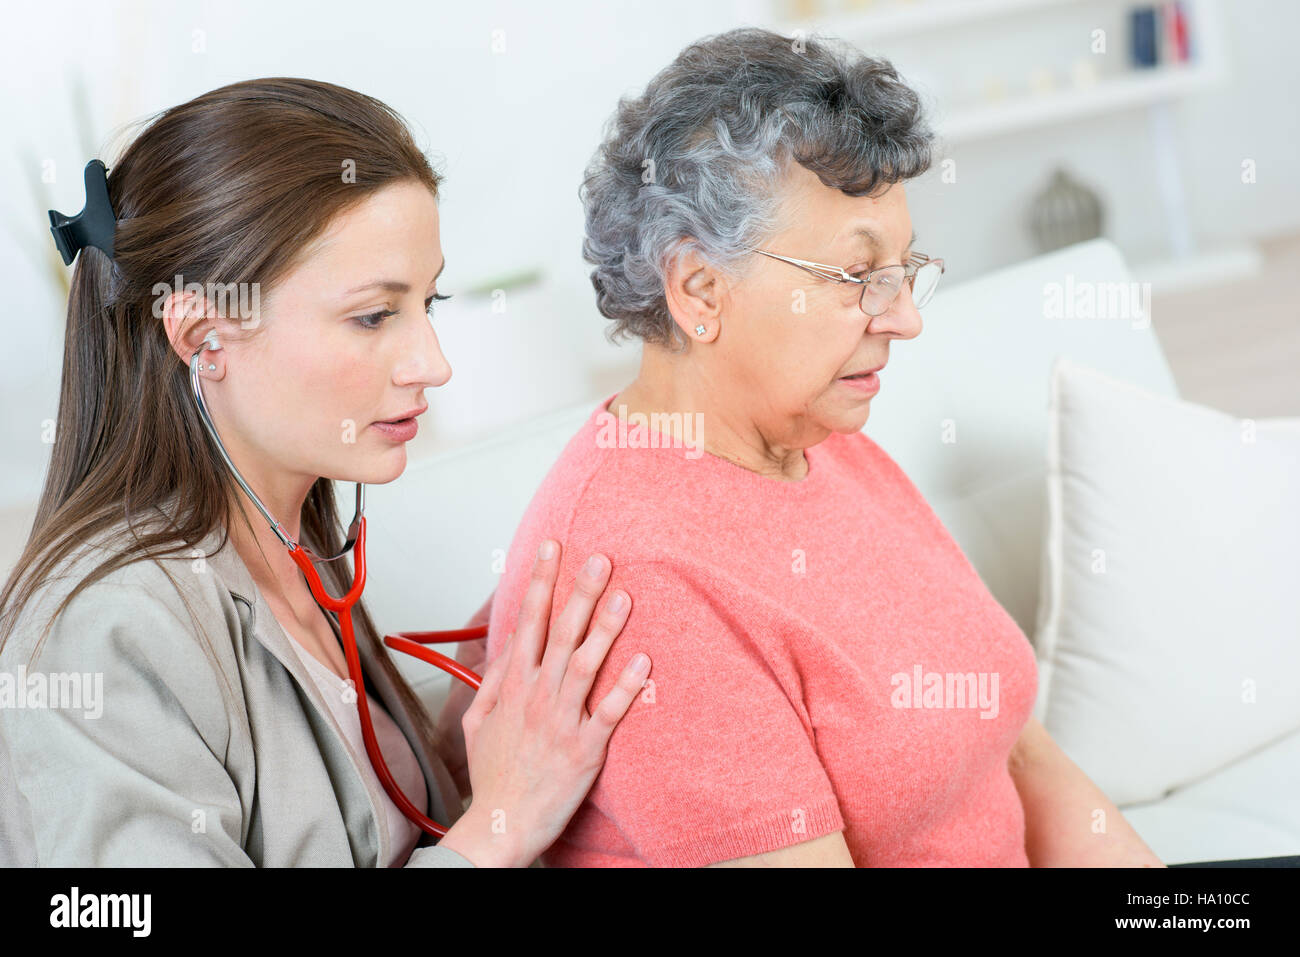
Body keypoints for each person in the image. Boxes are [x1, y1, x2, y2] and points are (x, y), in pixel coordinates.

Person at [484, 28, 1166, 867]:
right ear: (700, 288)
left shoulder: (819, 433)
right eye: (857, 276)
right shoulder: (639, 580)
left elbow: (1021, 749)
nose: (906, 316)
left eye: (906, 268)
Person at [0, 77, 652, 868]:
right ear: (206, 335)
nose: (432, 363)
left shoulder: (294, 541)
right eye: (374, 315)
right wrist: (500, 825)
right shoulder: (106, 628)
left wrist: (451, 764)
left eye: (428, 303)